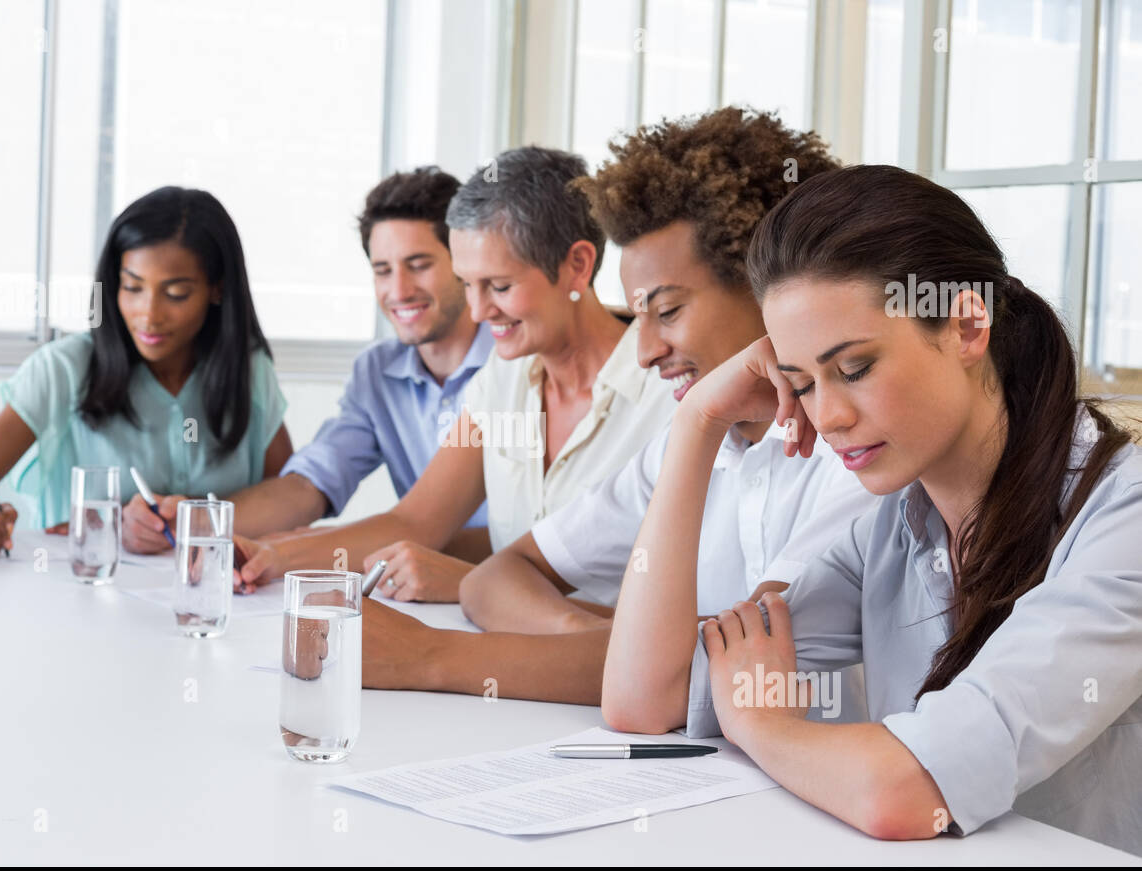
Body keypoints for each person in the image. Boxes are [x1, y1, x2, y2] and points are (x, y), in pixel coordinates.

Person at [603, 163, 1142, 854]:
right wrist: (698, 423)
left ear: (967, 325)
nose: (826, 415)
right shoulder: (888, 529)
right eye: (800, 384)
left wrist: (762, 725)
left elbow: (907, 795)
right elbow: (646, 701)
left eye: (854, 369)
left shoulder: (1120, 515)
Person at [364, 108, 874, 710]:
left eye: (669, 311)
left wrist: (430, 657)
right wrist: (599, 638)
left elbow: (704, 673)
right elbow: (497, 576)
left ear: (766, 286)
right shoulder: (703, 439)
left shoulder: (856, 454)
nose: (647, 348)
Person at [233, 146, 675, 602]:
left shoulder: (667, 390)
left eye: (499, 286)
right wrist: (272, 556)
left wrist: (468, 585)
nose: (479, 310)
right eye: (467, 284)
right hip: (498, 642)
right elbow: (416, 520)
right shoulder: (501, 380)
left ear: (577, 266)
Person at [0, 186, 292, 558]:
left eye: (177, 294)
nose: (149, 314)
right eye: (132, 287)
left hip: (214, 597)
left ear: (217, 289)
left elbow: (291, 502)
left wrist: (193, 521)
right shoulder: (63, 369)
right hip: (81, 595)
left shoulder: (249, 372)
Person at [228, 167, 493, 562]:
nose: (398, 291)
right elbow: (310, 485)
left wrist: (328, 548)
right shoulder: (377, 373)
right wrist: (193, 524)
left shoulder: (515, 362)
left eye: (419, 265)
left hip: (524, 592)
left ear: (465, 262)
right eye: (382, 270)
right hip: (421, 591)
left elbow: (533, 538)